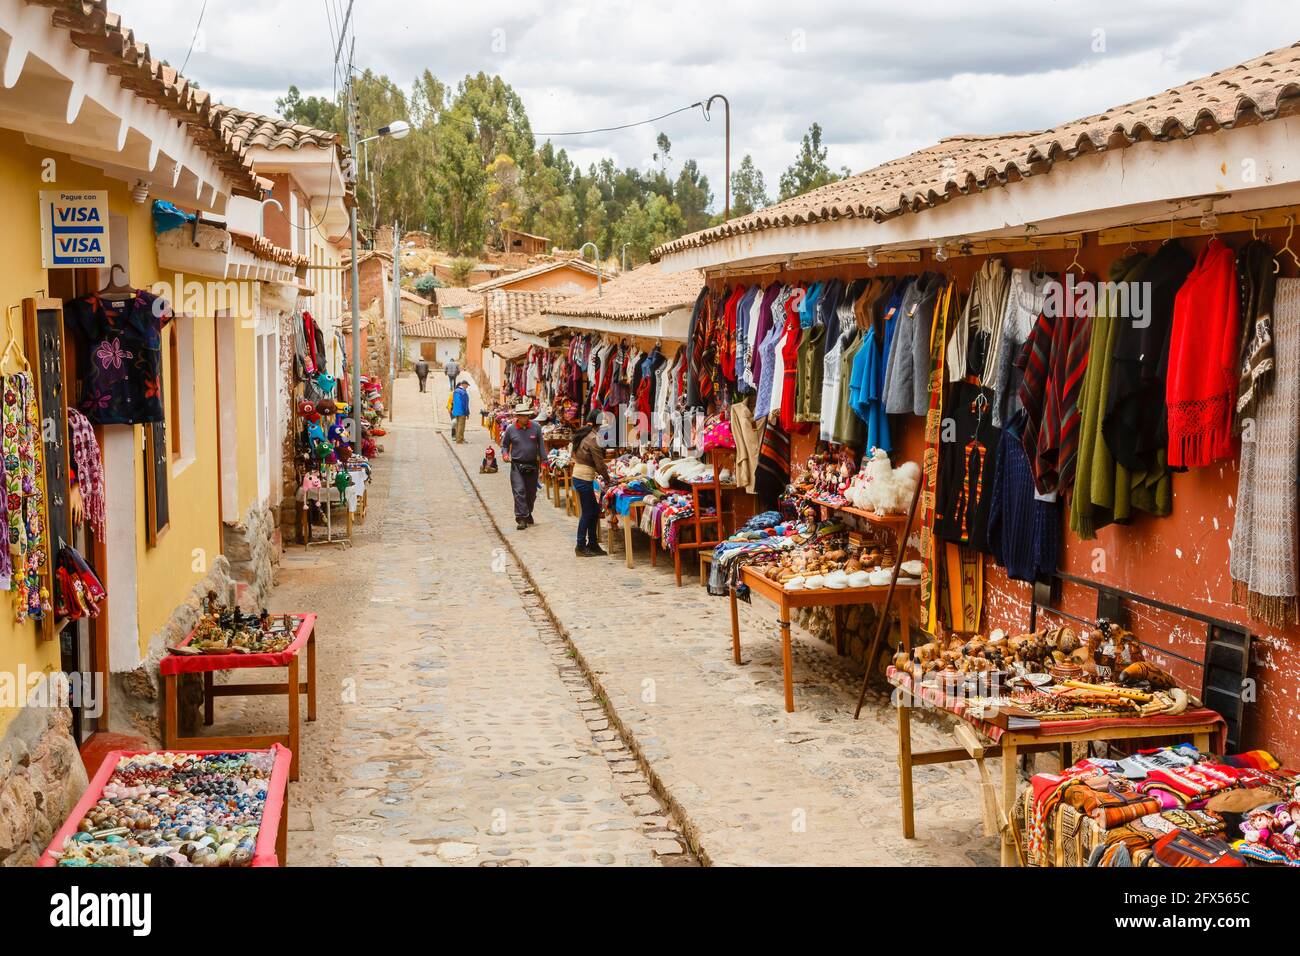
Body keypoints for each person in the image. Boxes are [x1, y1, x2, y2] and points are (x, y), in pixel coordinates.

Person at [570, 409, 610, 557]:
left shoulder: (585, 434)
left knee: (593, 511)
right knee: (588, 512)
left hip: (580, 476)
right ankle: (580, 545)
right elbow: (599, 462)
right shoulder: (593, 438)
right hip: (583, 478)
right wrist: (607, 477)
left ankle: (592, 543)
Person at [500, 403, 542, 530]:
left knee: (531, 493)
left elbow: (541, 446)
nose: (525, 418)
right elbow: (505, 445)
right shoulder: (510, 429)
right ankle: (521, 518)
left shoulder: (536, 428)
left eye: (527, 416)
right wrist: (505, 454)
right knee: (519, 491)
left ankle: (528, 512)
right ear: (517, 416)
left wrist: (544, 461)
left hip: (532, 465)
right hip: (517, 466)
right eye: (522, 416)